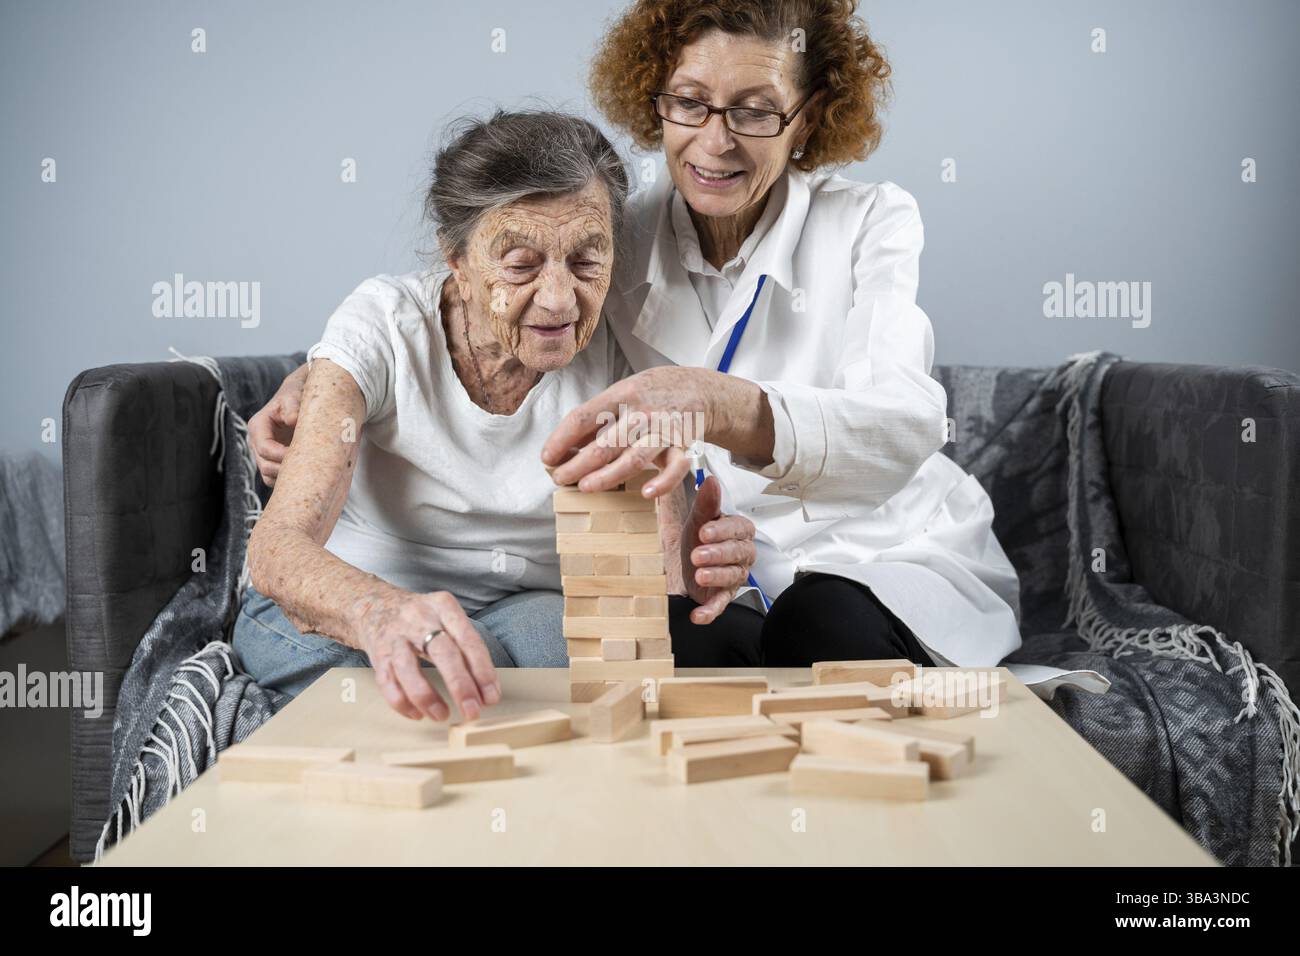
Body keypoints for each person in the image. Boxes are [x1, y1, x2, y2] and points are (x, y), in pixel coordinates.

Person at [542, 0, 1022, 669]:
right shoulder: (617, 240)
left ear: (809, 117)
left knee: (818, 624)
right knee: (677, 647)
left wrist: (714, 401)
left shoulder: (870, 220)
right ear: (656, 100)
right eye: (690, 102)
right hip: (719, 566)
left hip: (878, 548)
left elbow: (906, 424)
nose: (716, 142)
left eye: (755, 111)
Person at [237, 110, 757, 722]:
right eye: (520, 264)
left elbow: (669, 575)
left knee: (611, 703)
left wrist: (698, 573)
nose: (560, 300)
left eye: (588, 260)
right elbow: (277, 550)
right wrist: (381, 613)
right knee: (433, 697)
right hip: (358, 594)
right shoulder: (382, 324)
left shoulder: (627, 342)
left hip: (529, 601)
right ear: (455, 256)